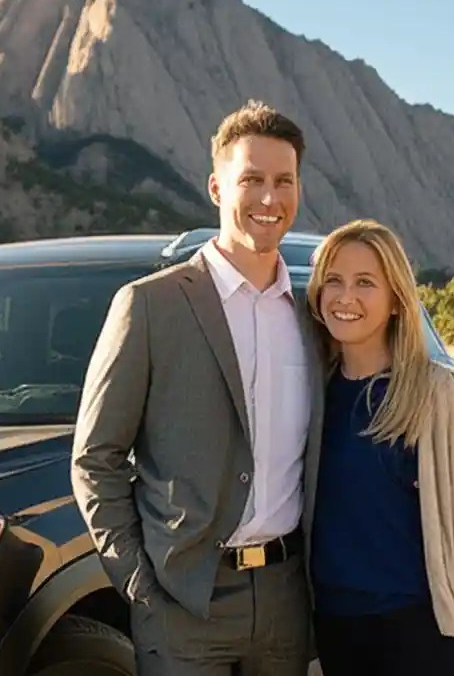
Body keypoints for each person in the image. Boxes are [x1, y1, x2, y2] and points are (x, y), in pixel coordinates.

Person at [70, 99, 323, 676]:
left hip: (287, 598)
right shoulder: (149, 305)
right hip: (183, 599)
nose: (269, 198)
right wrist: (139, 585)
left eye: (284, 181)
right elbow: (95, 458)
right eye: (251, 180)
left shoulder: (313, 316)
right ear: (216, 187)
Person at [304, 218, 454, 676]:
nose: (346, 297)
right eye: (333, 281)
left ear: (397, 300)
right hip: (334, 631)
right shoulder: (313, 394)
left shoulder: (433, 392)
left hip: (420, 633)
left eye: (365, 283)